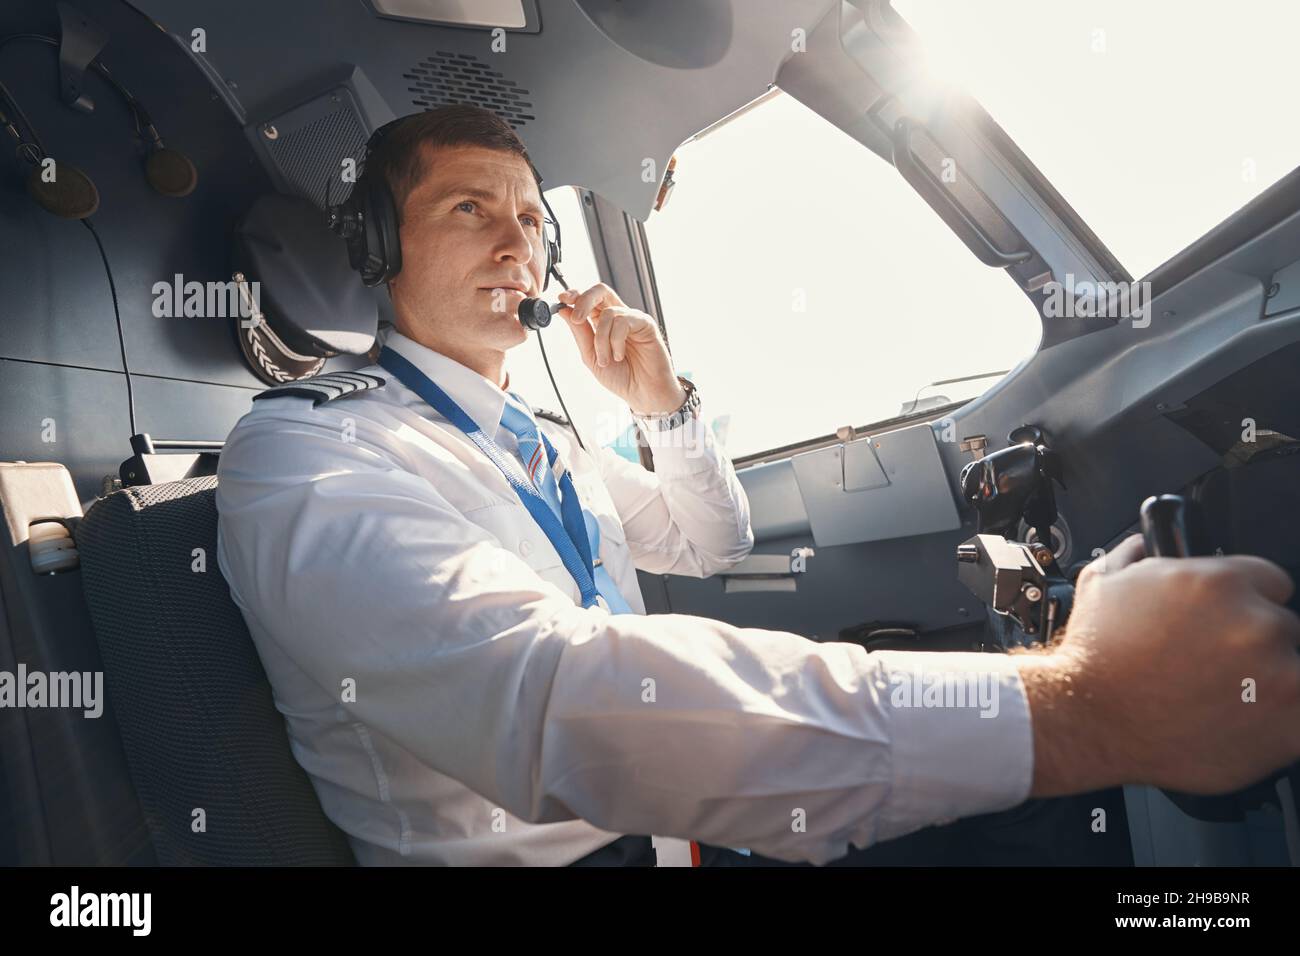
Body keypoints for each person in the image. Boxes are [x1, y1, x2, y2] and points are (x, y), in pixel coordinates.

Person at [215, 105, 1300, 866]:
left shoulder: (537, 440)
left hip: (672, 832)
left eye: (534, 217)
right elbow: (555, 696)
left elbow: (711, 539)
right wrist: (1083, 708)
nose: (520, 243)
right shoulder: (312, 457)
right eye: (470, 210)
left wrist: (660, 406)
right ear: (373, 244)